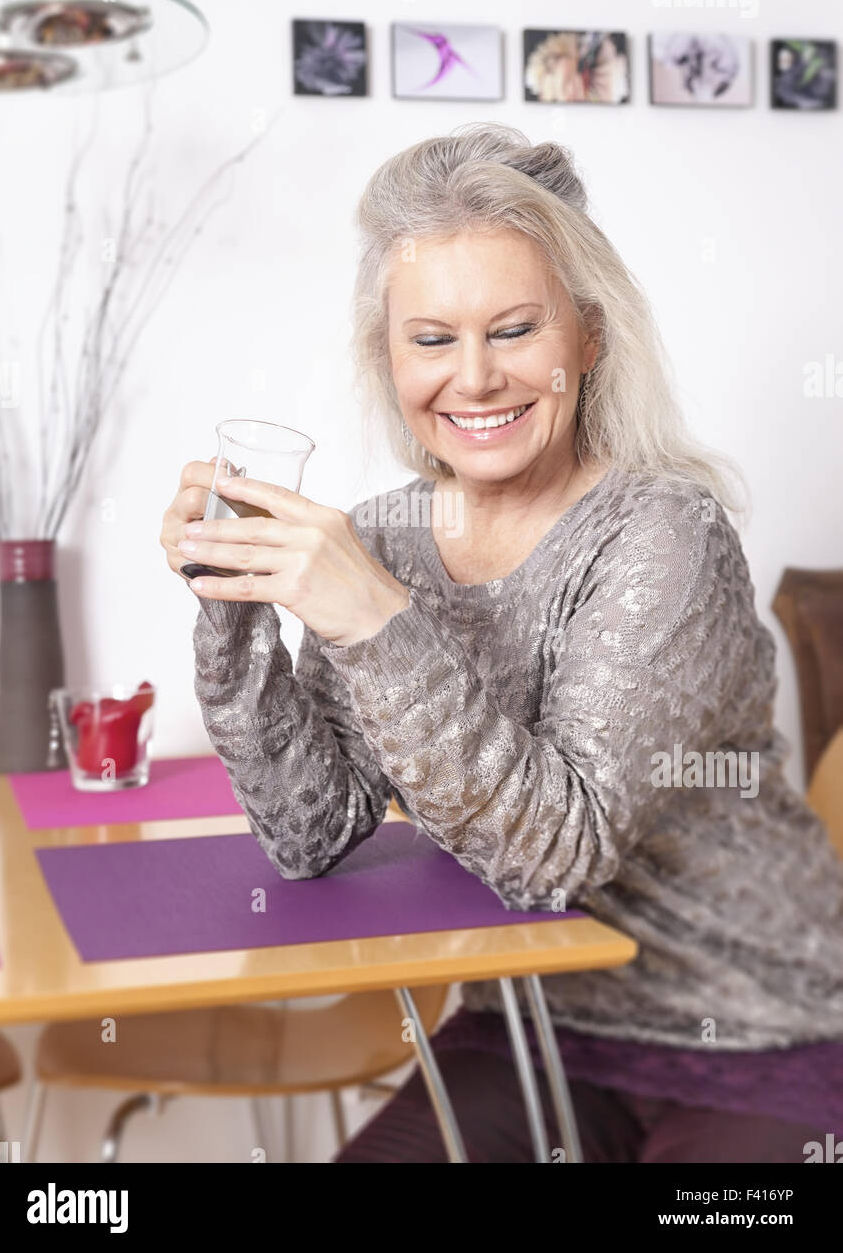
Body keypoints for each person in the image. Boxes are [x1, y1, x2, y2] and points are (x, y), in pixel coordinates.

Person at [160, 123, 843, 1162]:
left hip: (757, 1029)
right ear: (388, 360)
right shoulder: (382, 537)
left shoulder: (662, 533)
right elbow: (312, 832)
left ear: (587, 336)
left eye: (513, 329)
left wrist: (369, 617)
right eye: (430, 339)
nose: (472, 378)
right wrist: (236, 601)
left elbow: (554, 854)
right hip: (531, 1029)